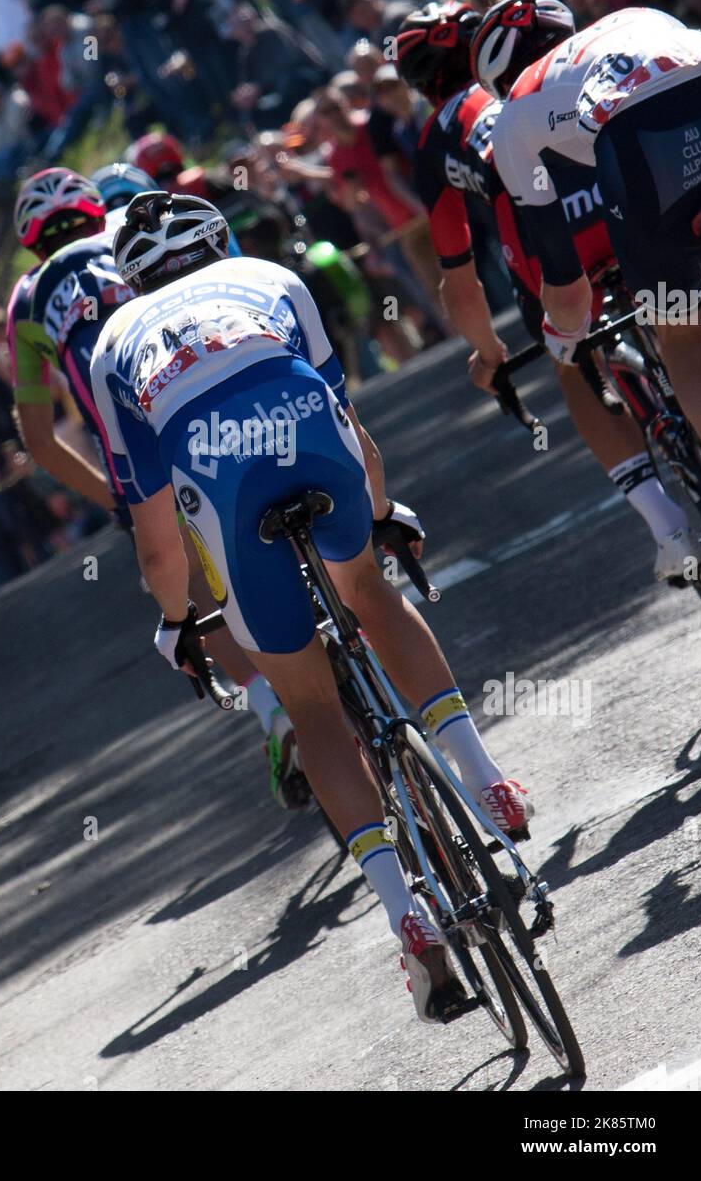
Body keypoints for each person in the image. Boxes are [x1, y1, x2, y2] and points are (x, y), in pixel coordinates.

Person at [90, 189, 534, 1023]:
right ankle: (487, 779)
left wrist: (179, 621)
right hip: (308, 431)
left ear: (130, 276)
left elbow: (153, 532)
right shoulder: (269, 274)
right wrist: (378, 515)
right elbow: (350, 421)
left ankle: (404, 910)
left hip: (220, 478)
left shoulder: (116, 340)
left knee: (311, 707)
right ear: (216, 241)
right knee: (370, 592)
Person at [8, 166, 299, 801]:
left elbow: (37, 441)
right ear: (94, 212)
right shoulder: (133, 233)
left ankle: (270, 705)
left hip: (137, 443)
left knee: (189, 582)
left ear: (32, 242)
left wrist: (115, 500)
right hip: (229, 391)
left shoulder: (26, 300)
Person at [397, 0, 700, 582]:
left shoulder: (438, 137)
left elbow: (459, 278)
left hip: (546, 225)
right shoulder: (571, 57)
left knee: (571, 354)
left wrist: (491, 357)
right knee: (682, 300)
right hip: (629, 163)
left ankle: (666, 526)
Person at [471, 0, 701, 465]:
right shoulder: (635, 15)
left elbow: (565, 279)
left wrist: (563, 338)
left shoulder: (513, 116)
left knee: (683, 328)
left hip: (637, 124)